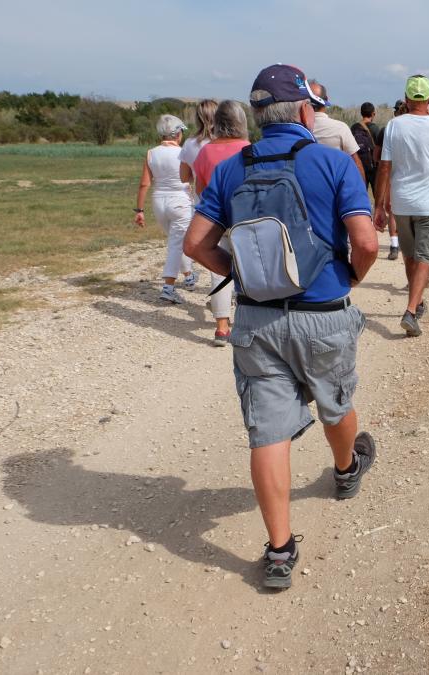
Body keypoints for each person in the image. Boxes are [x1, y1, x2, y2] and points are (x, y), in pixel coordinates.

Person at [183, 64, 379, 589]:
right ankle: (344, 471)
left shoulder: (230, 169)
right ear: (305, 110)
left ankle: (278, 552)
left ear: (259, 116)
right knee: (336, 401)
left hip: (255, 319)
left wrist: (241, 274)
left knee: (268, 433)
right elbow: (365, 243)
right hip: (323, 316)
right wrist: (350, 280)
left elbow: (196, 244)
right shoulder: (335, 163)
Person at [374, 75, 429, 338]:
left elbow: (384, 166)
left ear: (406, 100)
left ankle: (417, 303)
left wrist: (379, 205)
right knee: (424, 257)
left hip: (402, 201)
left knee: (410, 256)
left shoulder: (394, 126)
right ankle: (409, 311)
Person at [191, 100, 251, 347]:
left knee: (218, 270)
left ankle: (221, 327)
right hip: (245, 217)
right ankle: (248, 321)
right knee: (248, 268)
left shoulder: (205, 151)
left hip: (218, 218)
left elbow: (200, 188)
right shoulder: (249, 148)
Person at [133, 114, 196, 303]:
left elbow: (144, 184)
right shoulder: (184, 152)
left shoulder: (151, 153)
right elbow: (192, 177)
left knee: (176, 240)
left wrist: (139, 210)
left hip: (159, 202)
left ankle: (189, 276)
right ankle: (168, 287)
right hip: (180, 201)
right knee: (177, 244)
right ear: (177, 134)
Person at [306, 80, 365, 183]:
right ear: (327, 100)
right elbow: (356, 162)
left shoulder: (299, 129)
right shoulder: (340, 128)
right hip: (334, 188)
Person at [375, 99, 408, 260]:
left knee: (393, 209)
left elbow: (377, 156)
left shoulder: (387, 129)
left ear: (396, 111)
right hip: (409, 173)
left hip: (391, 173)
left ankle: (394, 245)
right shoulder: (413, 129)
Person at [179, 99, 218, 194]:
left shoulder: (189, 143)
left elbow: (184, 178)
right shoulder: (226, 142)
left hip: (201, 200)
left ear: (198, 119)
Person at [350, 102, 379, 194]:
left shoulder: (354, 128)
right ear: (373, 114)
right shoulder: (375, 128)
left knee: (361, 193)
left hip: (359, 165)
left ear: (361, 113)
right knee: (377, 194)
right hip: (373, 167)